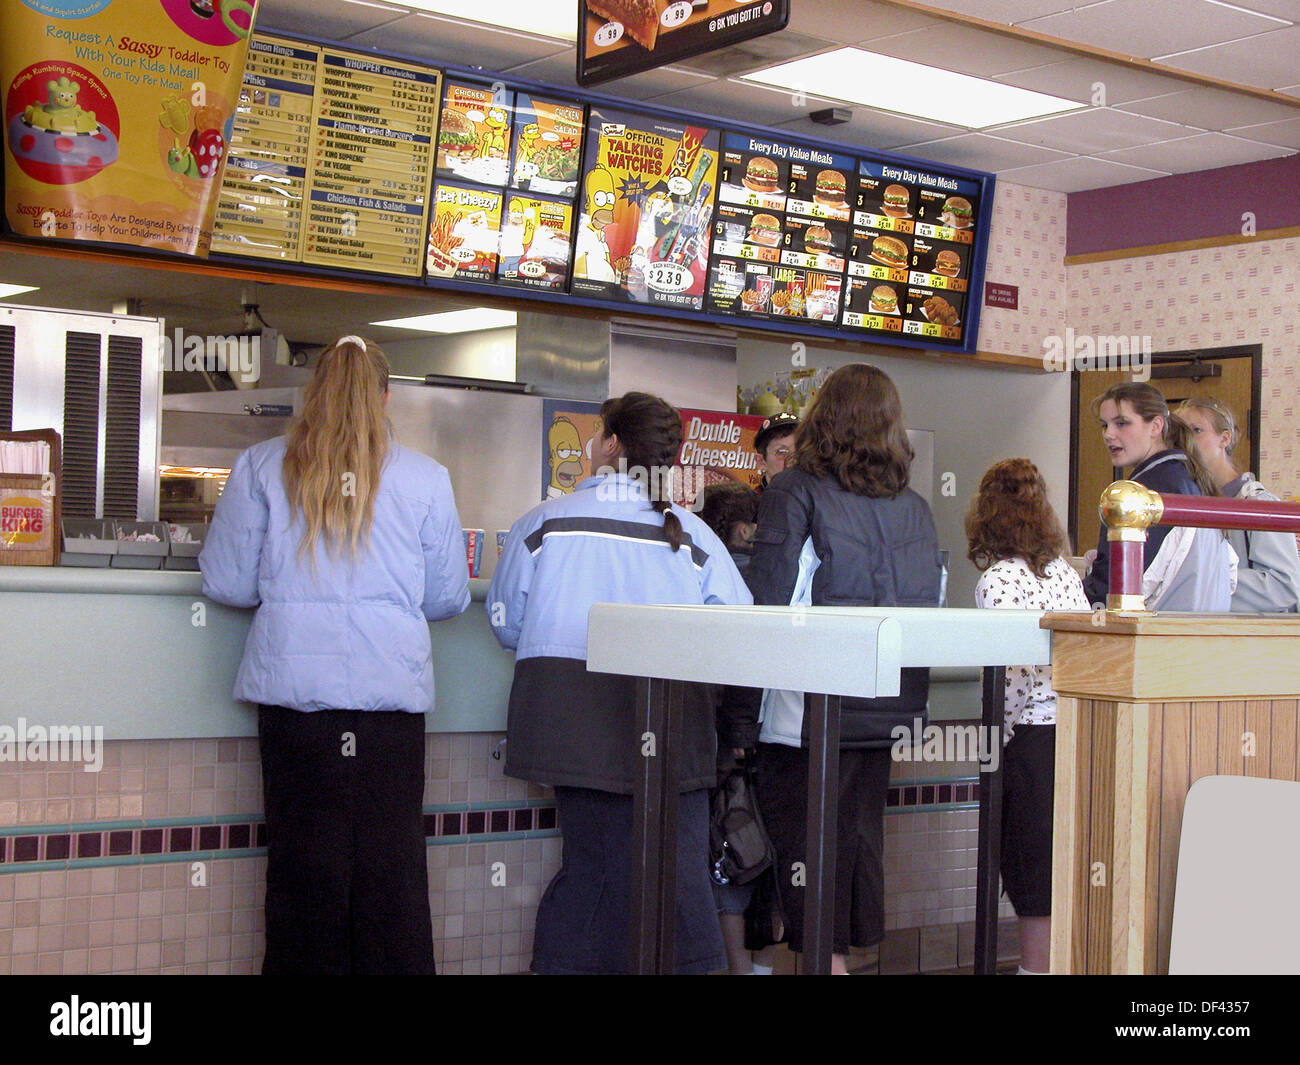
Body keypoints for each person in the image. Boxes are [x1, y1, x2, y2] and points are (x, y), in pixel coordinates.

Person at [199, 335, 470, 974]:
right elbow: (449, 596)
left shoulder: (263, 466)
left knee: (303, 870)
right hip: (389, 705)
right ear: (385, 397)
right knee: (392, 872)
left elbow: (227, 583)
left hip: (297, 701)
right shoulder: (425, 477)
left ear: (311, 392)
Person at [487, 391, 752, 974]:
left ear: (609, 443)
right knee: (677, 872)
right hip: (676, 728)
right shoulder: (693, 537)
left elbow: (505, 623)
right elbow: (740, 630)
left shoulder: (543, 524)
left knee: (594, 868)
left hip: (569, 723)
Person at [739, 363, 942, 973]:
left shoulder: (794, 489)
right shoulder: (916, 508)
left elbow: (771, 602)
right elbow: (929, 603)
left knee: (802, 858)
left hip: (808, 714)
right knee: (852, 852)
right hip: (888, 708)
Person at [965, 458, 1090, 975]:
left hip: (1029, 739)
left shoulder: (999, 580)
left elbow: (1009, 680)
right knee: (1060, 866)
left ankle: (1034, 970)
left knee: (1029, 870)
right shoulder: (1065, 574)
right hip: (1074, 730)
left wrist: (993, 736)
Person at [1083, 382, 1234, 611]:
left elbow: (1113, 586)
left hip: (1153, 634)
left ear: (1155, 426)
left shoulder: (1143, 492)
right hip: (1197, 633)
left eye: (1122, 423)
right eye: (1105, 425)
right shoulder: (1190, 477)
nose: (1108, 435)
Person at [1177, 397, 1300, 612]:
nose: (1185, 442)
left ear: (1225, 438)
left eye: (1196, 431)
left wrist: (1206, 582)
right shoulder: (1184, 506)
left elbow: (1284, 586)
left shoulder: (1258, 504)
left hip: (1252, 638)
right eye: (1178, 435)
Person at [754, 411, 798, 490]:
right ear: (761, 462)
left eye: (799, 452)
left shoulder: (820, 499)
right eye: (782, 452)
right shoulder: (750, 501)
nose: (793, 460)